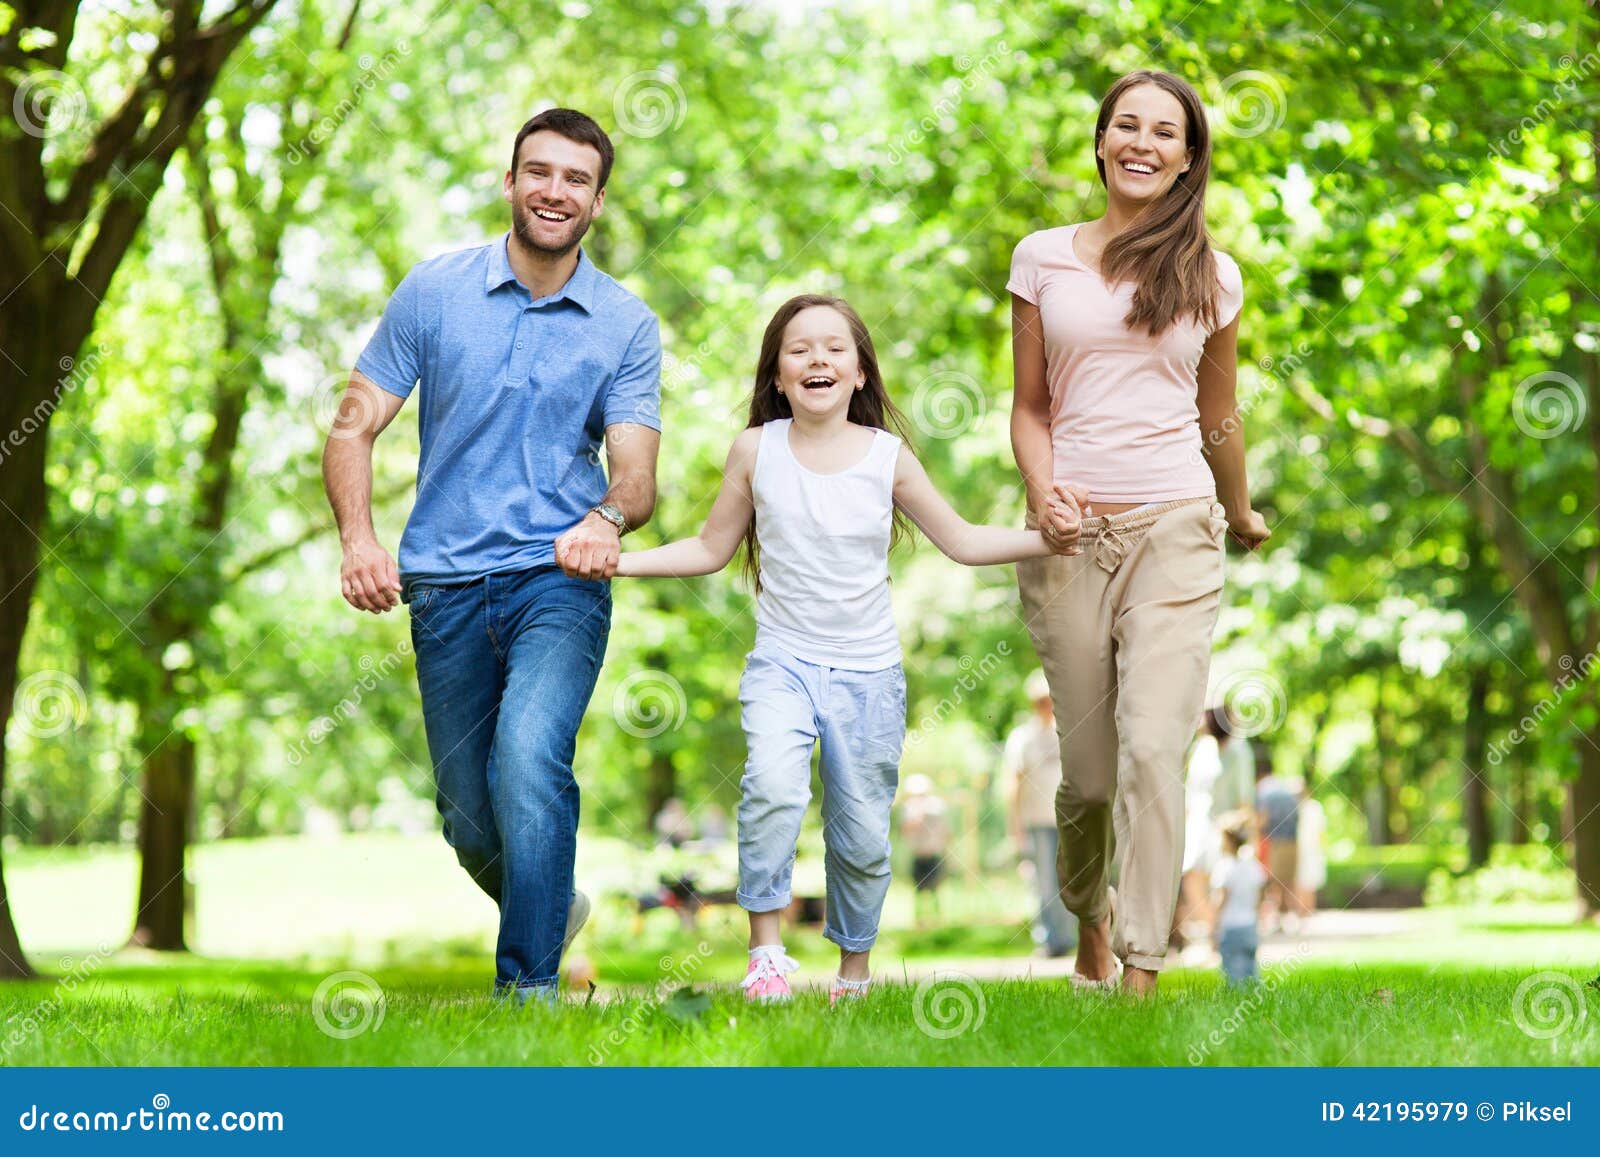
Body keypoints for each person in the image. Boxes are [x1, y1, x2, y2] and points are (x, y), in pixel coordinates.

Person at [610, 293, 1080, 1006]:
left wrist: (1049, 538)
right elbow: (710, 548)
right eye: (799, 349)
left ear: (860, 373)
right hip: (782, 665)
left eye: (835, 348)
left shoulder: (886, 458)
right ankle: (765, 952)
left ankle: (853, 973)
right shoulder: (755, 450)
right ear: (776, 375)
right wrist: (614, 559)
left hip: (868, 675)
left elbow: (961, 540)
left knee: (860, 833)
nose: (818, 359)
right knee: (770, 787)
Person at [323, 109, 662, 1007]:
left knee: (527, 757)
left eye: (577, 179)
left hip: (560, 578)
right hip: (442, 583)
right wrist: (359, 538)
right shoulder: (434, 293)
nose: (556, 191)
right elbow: (355, 424)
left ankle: (530, 991)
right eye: (539, 172)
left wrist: (605, 520)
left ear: (597, 201)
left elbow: (635, 478)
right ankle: (555, 904)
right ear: (509, 182)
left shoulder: (624, 324)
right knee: (468, 816)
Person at [1008, 70, 1271, 996]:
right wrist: (1042, 493)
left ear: (1189, 156)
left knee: (1158, 749)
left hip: (1175, 528)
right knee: (1085, 780)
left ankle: (1142, 971)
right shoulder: (1042, 257)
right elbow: (1031, 407)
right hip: (1071, 539)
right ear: (1101, 140)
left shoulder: (1212, 273)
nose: (1143, 143)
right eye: (1128, 125)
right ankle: (1092, 912)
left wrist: (1238, 512)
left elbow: (1220, 416)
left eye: (1166, 132)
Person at [1003, 669, 1078, 957]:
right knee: (1043, 884)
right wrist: (1015, 827)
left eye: (1049, 700)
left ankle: (1068, 938)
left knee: (1069, 882)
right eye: (1040, 701)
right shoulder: (1022, 737)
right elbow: (1013, 784)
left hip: (1068, 821)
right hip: (1037, 821)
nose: (1045, 706)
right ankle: (1050, 940)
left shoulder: (1070, 731)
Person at [1211, 818, 1265, 986]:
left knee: (1232, 974)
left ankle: (1237, 1006)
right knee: (1251, 971)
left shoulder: (1224, 867)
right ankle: (1257, 1004)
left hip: (1230, 927)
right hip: (1250, 925)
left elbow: (1221, 900)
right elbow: (1260, 895)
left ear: (1228, 840)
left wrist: (1213, 928)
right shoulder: (1253, 866)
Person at [1255, 746, 1300, 930]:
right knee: (1287, 882)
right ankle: (1287, 918)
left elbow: (1262, 819)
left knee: (1272, 883)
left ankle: (1273, 921)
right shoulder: (1286, 789)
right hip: (1292, 841)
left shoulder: (1263, 791)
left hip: (1273, 842)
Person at [899, 774, 953, 927]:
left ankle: (937, 920)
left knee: (935, 888)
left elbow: (946, 831)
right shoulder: (909, 809)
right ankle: (919, 921)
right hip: (918, 854)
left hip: (933, 853)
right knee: (918, 889)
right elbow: (905, 830)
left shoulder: (937, 807)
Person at [1292, 776, 1326, 915]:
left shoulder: (1313, 807)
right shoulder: (1295, 809)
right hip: (1299, 848)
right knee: (1299, 880)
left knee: (1309, 880)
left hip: (1310, 848)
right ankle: (1301, 911)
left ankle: (1308, 910)